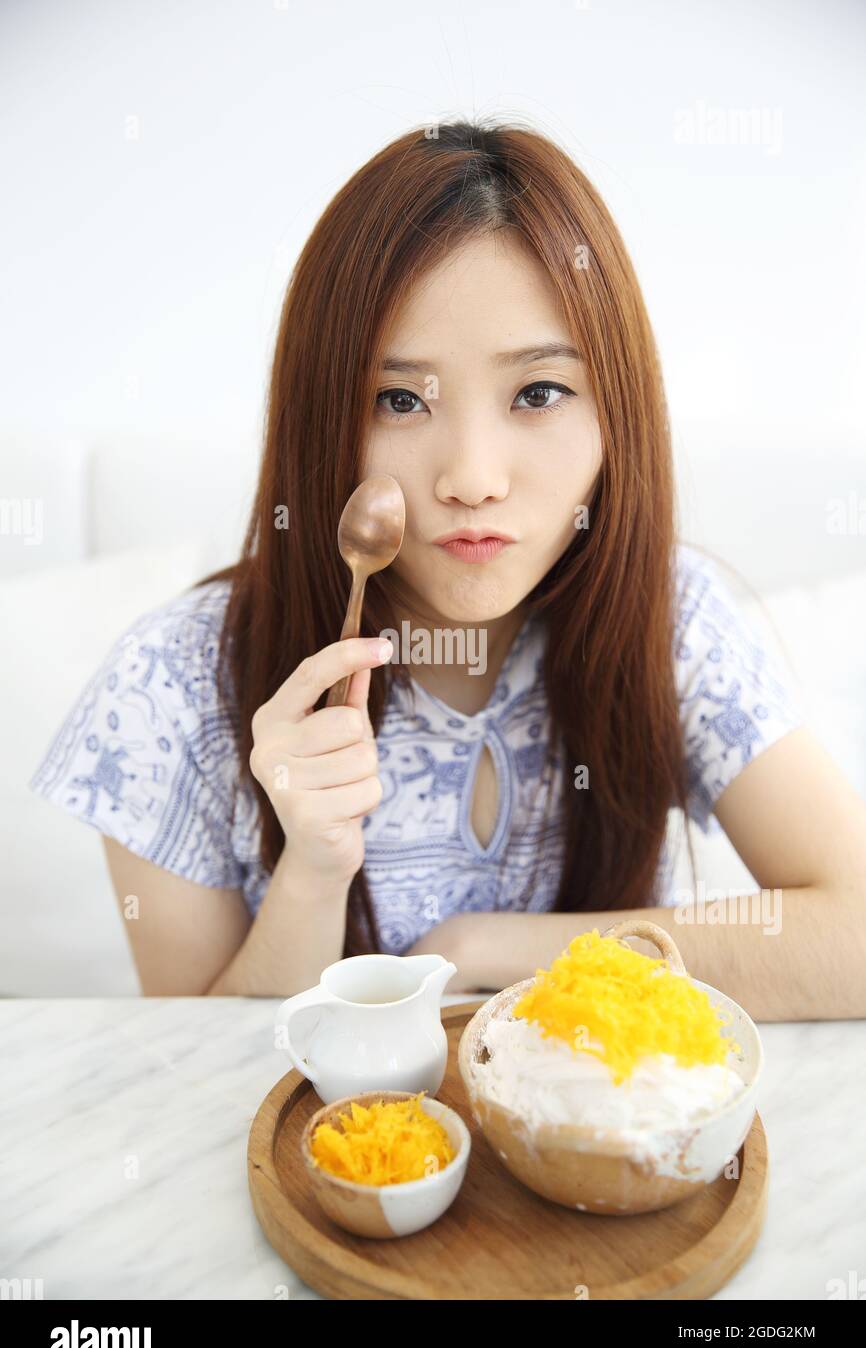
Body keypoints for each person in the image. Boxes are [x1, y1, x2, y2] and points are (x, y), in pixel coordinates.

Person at [31, 120, 866, 1017]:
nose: (471, 477)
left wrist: (487, 949)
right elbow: (192, 1077)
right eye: (399, 399)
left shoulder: (675, 626)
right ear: (323, 419)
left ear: (617, 409)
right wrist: (313, 870)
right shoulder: (170, 689)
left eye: (538, 393)